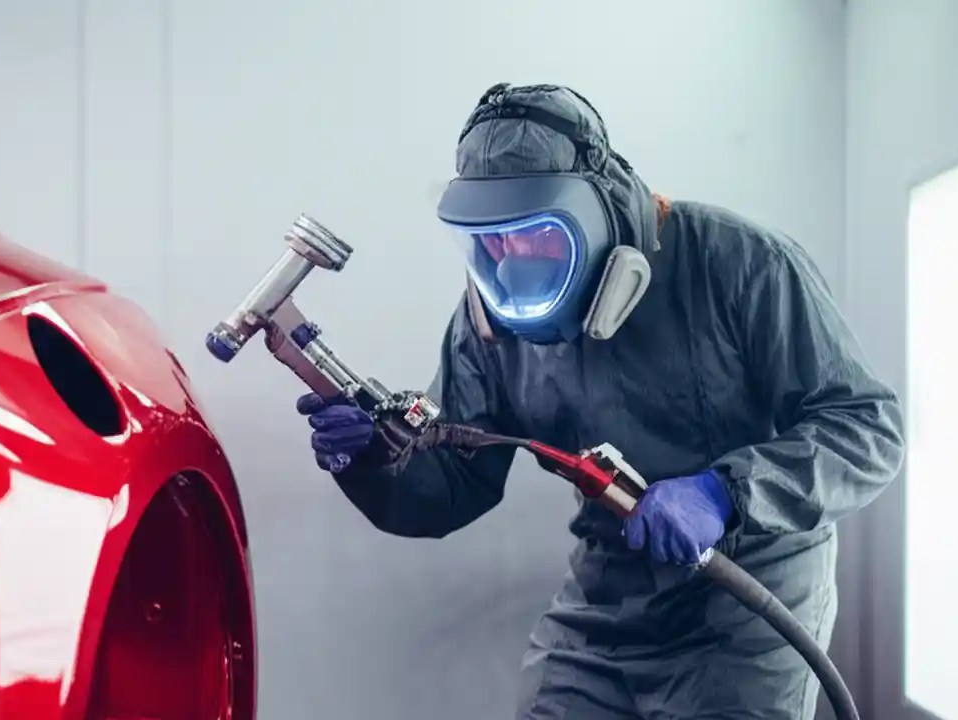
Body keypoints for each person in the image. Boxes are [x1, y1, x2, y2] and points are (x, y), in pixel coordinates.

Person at [295, 83, 905, 719]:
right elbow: (455, 479)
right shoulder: (491, 322)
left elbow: (867, 427)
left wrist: (726, 493)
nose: (506, 266)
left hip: (748, 604)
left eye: (529, 236)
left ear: (594, 214)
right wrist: (374, 459)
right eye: (489, 241)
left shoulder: (741, 264)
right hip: (610, 601)